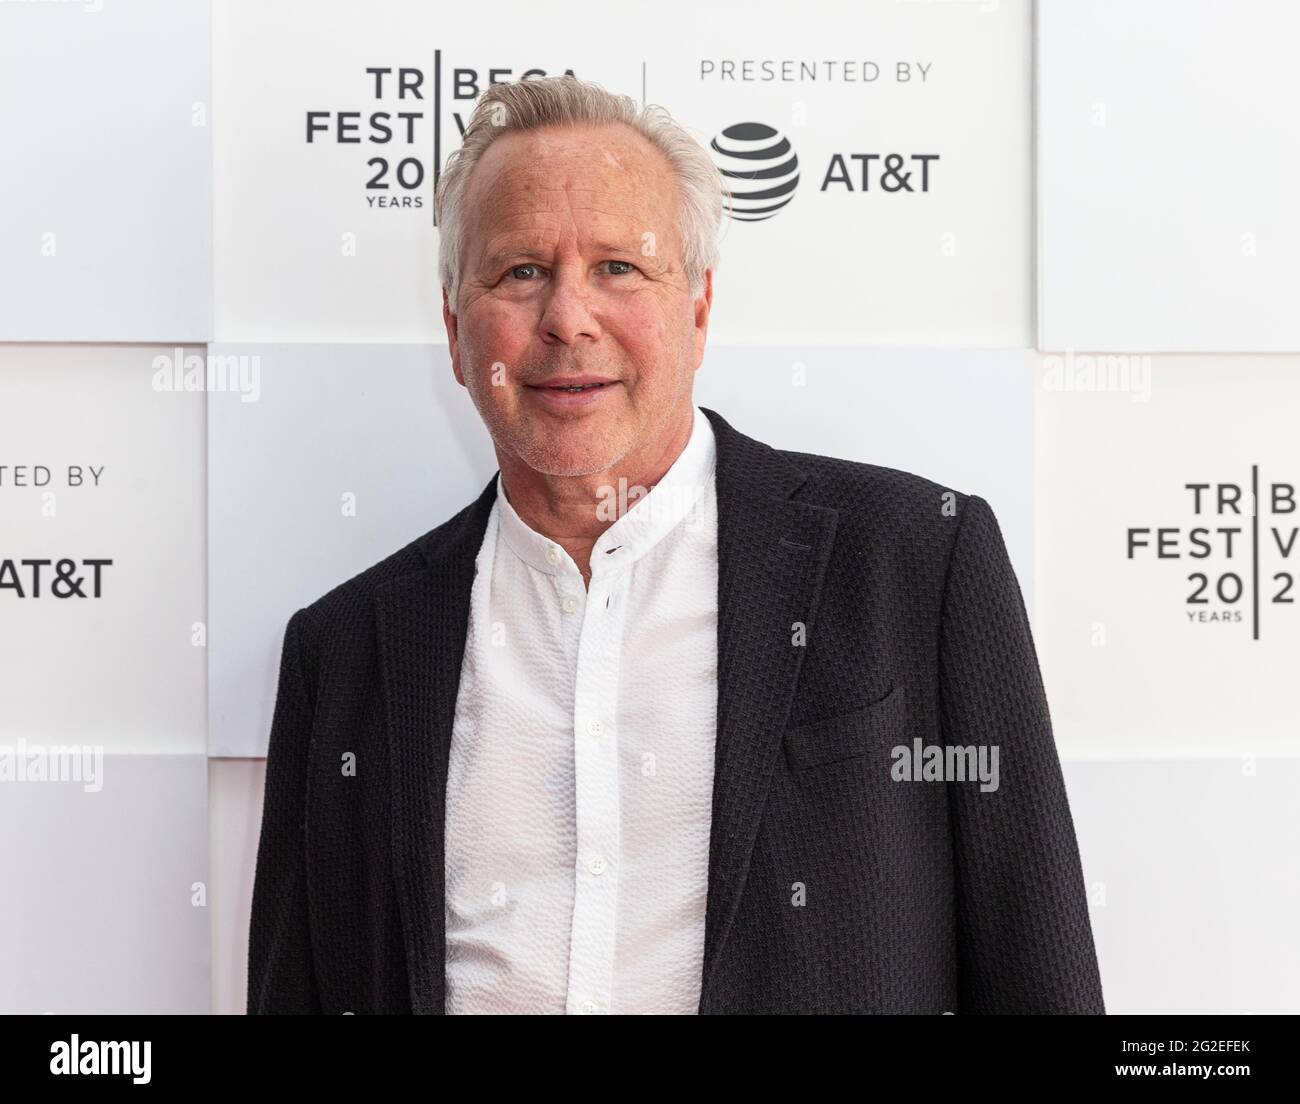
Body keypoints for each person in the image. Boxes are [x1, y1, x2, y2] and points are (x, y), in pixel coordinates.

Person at [247, 74, 1104, 1015]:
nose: (569, 319)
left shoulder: (915, 564)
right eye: (521, 270)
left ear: (698, 310)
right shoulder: (343, 655)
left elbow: (1042, 976)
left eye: (620, 266)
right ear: (456, 331)